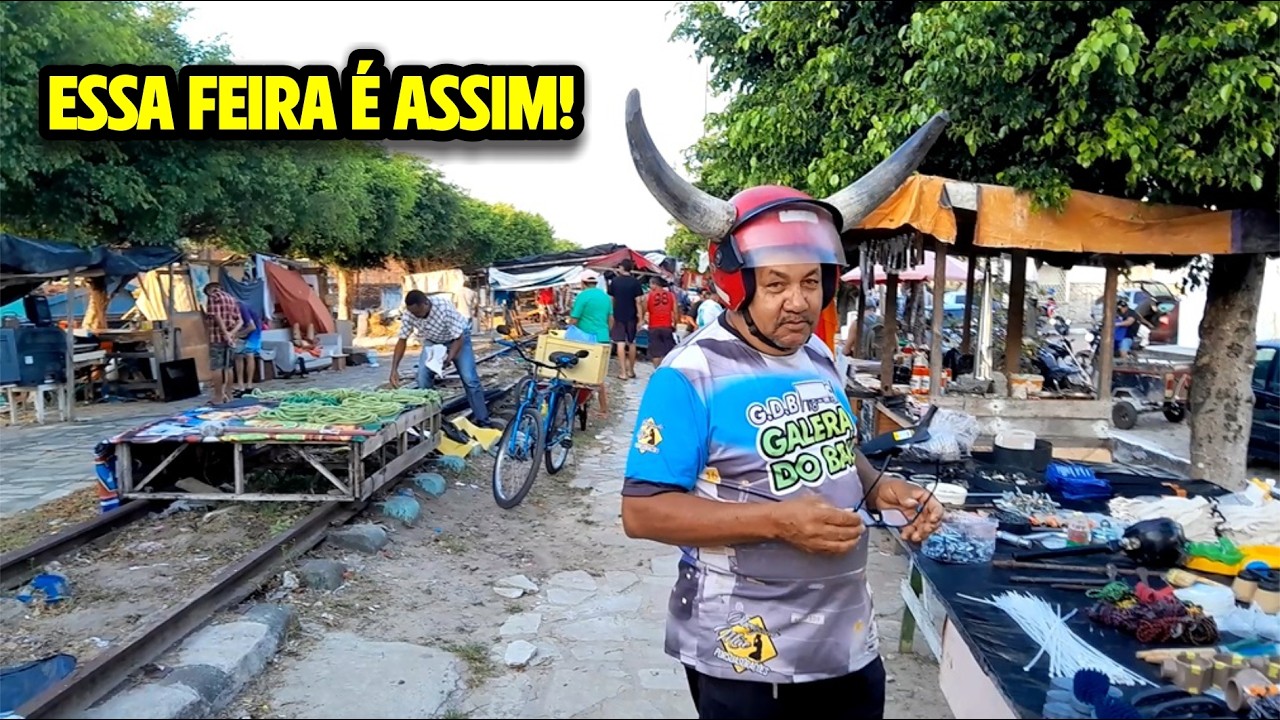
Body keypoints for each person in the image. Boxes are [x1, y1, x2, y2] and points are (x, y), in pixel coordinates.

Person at [618, 89, 950, 719]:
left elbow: (838, 452)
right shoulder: (688, 376)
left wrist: (881, 488)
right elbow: (643, 513)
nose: (798, 302)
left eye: (811, 281)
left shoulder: (816, 355)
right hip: (746, 655)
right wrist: (777, 522)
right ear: (737, 285)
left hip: (848, 641)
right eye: (775, 284)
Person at [388, 290, 498, 428]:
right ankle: (433, 420)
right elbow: (402, 340)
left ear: (426, 303)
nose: (416, 316)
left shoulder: (443, 307)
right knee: (422, 378)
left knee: (469, 378)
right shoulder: (409, 314)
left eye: (418, 313)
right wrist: (394, 369)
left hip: (457, 338)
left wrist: (449, 358)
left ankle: (483, 420)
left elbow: (458, 338)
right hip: (433, 341)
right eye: (413, 313)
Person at [567, 275, 614, 416]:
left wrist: (568, 331)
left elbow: (574, 319)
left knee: (579, 372)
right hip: (603, 338)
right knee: (598, 376)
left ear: (583, 283)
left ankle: (579, 403)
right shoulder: (605, 297)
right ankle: (603, 410)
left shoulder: (583, 296)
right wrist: (605, 332)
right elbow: (611, 319)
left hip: (586, 339)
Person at [201, 282, 243, 404]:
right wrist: (231, 334)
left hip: (217, 337)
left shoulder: (213, 297)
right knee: (228, 367)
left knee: (216, 367)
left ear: (209, 290)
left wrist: (225, 333)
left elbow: (216, 316)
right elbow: (240, 321)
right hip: (231, 339)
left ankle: (219, 397)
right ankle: (229, 394)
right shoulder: (231, 298)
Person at [607, 258, 644, 380]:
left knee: (620, 343)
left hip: (618, 316)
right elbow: (638, 301)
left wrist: (611, 314)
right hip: (632, 316)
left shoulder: (615, 281)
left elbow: (611, 300)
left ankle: (623, 372)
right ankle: (631, 371)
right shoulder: (635, 282)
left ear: (622, 268)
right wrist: (640, 318)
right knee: (632, 342)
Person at [639, 275, 677, 366]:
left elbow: (643, 310)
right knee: (667, 351)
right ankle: (665, 368)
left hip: (654, 326)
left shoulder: (648, 296)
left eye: (650, 284)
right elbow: (675, 312)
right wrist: (675, 324)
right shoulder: (671, 295)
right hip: (667, 326)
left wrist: (642, 319)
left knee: (655, 352)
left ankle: (657, 369)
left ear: (654, 284)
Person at [233, 300, 264, 397]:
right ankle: (241, 385)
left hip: (254, 331)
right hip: (242, 329)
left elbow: (252, 327)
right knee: (238, 355)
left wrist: (236, 335)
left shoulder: (241, 307)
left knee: (249, 354)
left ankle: (249, 385)